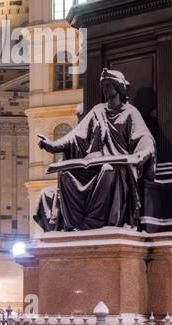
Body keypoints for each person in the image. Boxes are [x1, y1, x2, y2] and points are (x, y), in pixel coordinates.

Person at [34, 68, 155, 231]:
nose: (104, 89)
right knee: (66, 175)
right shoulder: (98, 110)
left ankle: (93, 221)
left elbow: (144, 138)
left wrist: (143, 153)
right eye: (103, 86)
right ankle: (72, 223)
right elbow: (75, 136)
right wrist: (52, 145)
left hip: (118, 167)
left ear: (118, 87)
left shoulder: (130, 113)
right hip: (93, 166)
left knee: (108, 170)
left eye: (108, 85)